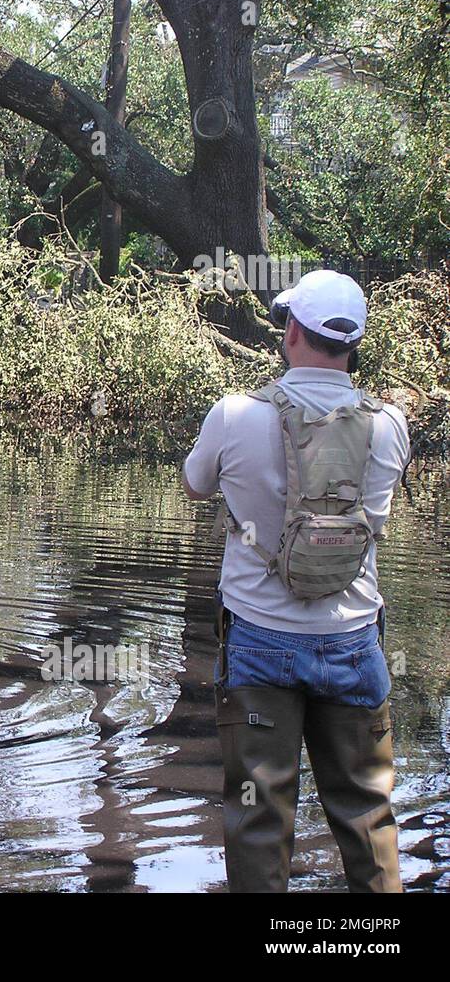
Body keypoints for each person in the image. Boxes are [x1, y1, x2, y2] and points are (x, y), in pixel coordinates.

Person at [182, 268, 409, 893]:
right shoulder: (389, 425)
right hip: (354, 643)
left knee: (258, 817)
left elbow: (197, 483)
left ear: (291, 333)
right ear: (352, 343)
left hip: (260, 647)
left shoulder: (233, 415)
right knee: (367, 814)